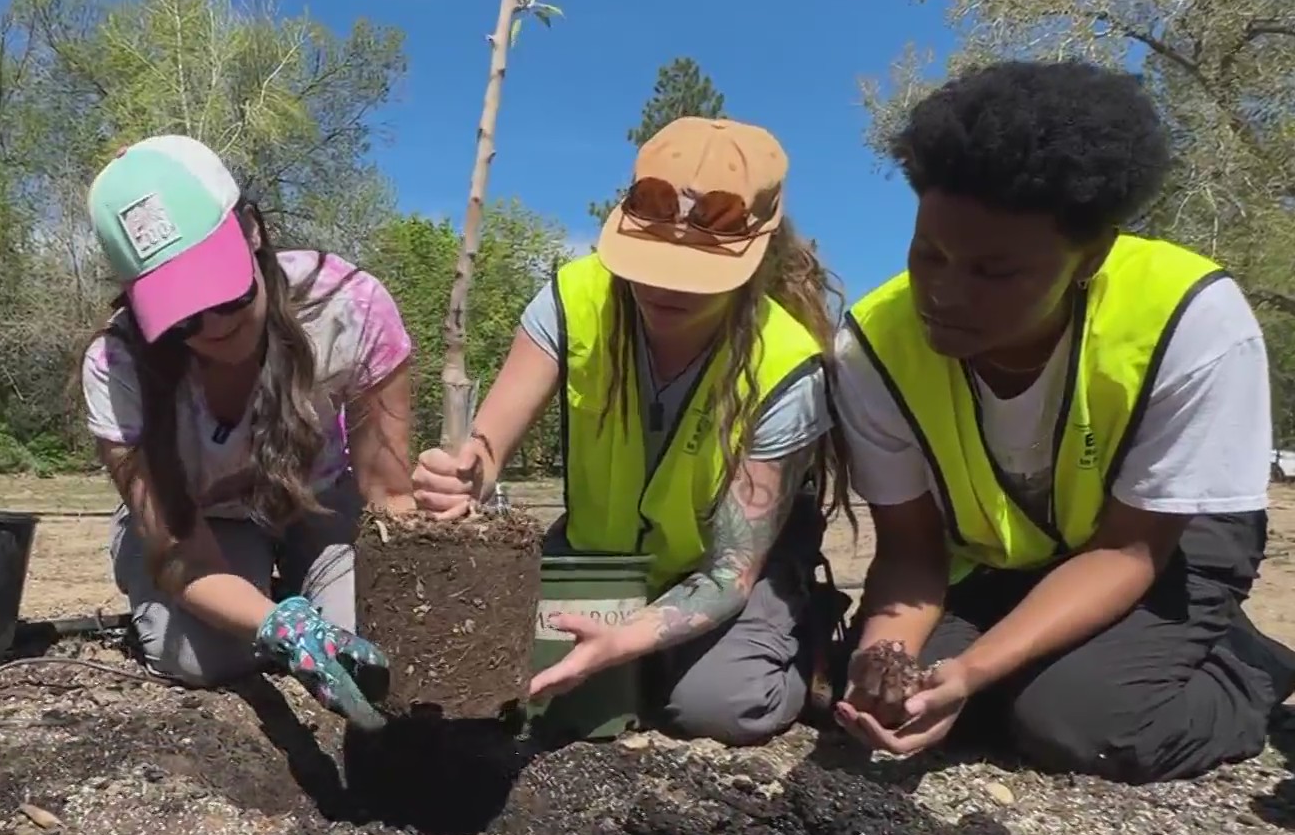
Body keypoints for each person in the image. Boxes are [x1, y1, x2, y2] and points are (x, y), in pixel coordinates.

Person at [830, 58, 1295, 784]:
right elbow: (912, 550)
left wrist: (975, 668)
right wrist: (881, 654)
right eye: (928, 253)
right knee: (886, 686)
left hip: (1162, 537)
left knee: (1076, 724)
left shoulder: (1190, 320)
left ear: (1092, 254)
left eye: (994, 272)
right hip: (1013, 549)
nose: (944, 293)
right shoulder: (871, 347)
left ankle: (1250, 667)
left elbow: (1129, 553)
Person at [413, 118, 849, 746]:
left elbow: (731, 572)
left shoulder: (785, 366)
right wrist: (464, 477)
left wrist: (623, 639)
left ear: (761, 249)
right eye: (651, 260)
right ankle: (643, 665)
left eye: (697, 272)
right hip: (596, 558)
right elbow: (485, 449)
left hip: (717, 571)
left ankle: (796, 645)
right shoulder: (570, 299)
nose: (665, 285)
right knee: (500, 671)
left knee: (718, 707)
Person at [79, 135, 416, 729]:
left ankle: (293, 582)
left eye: (222, 292)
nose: (211, 325)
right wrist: (276, 625)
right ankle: (260, 596)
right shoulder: (117, 368)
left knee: (376, 642)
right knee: (203, 655)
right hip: (203, 524)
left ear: (251, 230)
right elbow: (181, 546)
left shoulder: (350, 307)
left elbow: (388, 496)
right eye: (180, 313)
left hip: (322, 501)